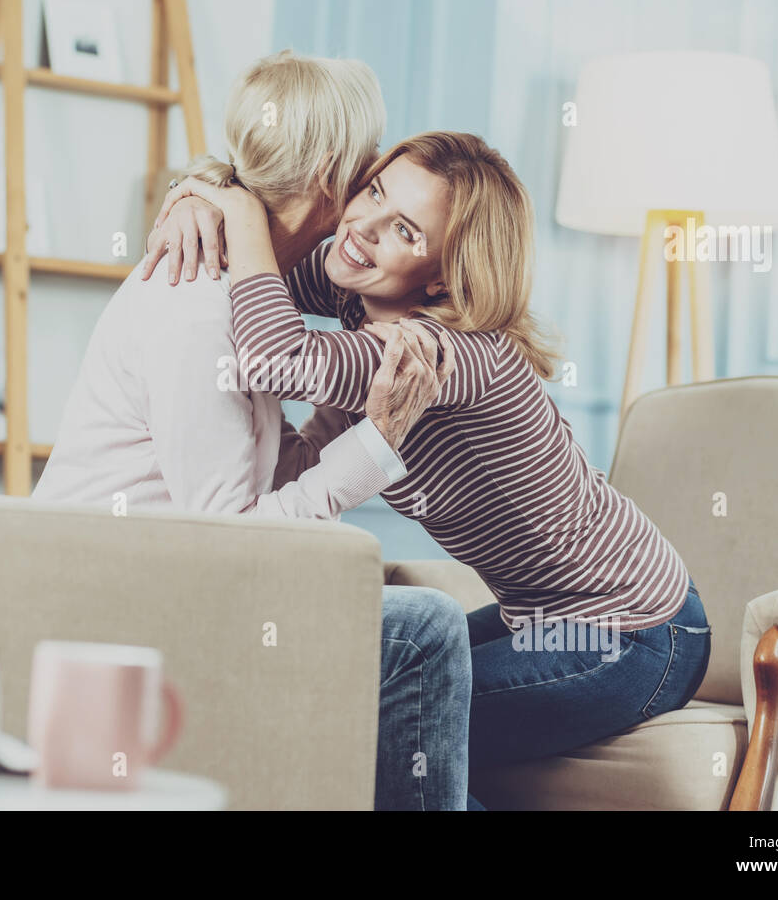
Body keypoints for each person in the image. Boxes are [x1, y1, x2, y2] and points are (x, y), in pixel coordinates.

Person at [147, 129, 712, 808]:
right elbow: (264, 263)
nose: (363, 230)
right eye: (375, 192)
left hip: (637, 631)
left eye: (405, 231)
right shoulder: (360, 284)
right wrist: (195, 196)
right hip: (537, 614)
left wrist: (234, 212)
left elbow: (272, 357)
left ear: (443, 273)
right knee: (392, 692)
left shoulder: (433, 352)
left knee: (398, 711)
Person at [34, 52, 472, 810]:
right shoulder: (201, 310)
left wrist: (363, 419)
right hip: (118, 604)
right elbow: (237, 539)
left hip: (170, 578)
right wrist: (377, 443)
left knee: (392, 603)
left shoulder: (244, 277)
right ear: (334, 170)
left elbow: (258, 479)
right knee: (424, 628)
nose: (374, 186)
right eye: (369, 168)